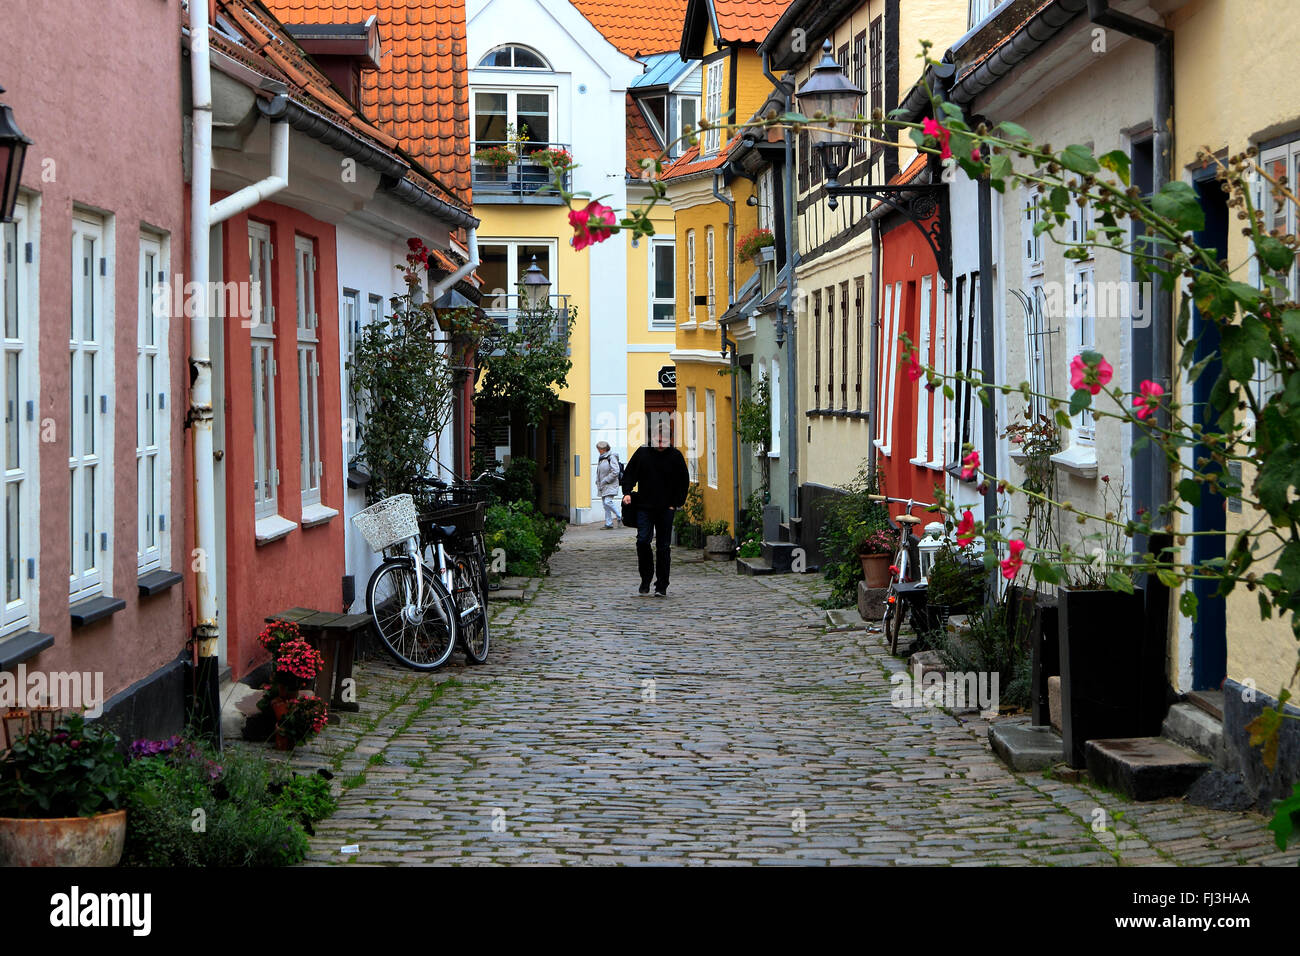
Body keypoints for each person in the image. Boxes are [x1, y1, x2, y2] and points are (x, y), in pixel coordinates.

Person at [621, 419, 689, 597]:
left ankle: (661, 585)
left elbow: (683, 482)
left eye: (664, 441)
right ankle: (646, 577)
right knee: (643, 541)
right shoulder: (643, 454)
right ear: (652, 439)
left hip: (666, 508)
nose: (660, 445)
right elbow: (629, 473)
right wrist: (627, 492)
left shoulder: (675, 456)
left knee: (663, 547)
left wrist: (676, 503)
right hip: (644, 506)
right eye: (658, 441)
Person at [594, 441, 623, 529]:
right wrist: (598, 481)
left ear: (604, 449)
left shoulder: (611, 457)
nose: (598, 451)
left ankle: (620, 516)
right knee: (605, 505)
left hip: (610, 484)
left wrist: (606, 480)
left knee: (608, 502)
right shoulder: (602, 458)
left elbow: (615, 471)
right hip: (603, 485)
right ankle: (609, 523)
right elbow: (600, 471)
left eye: (599, 449)